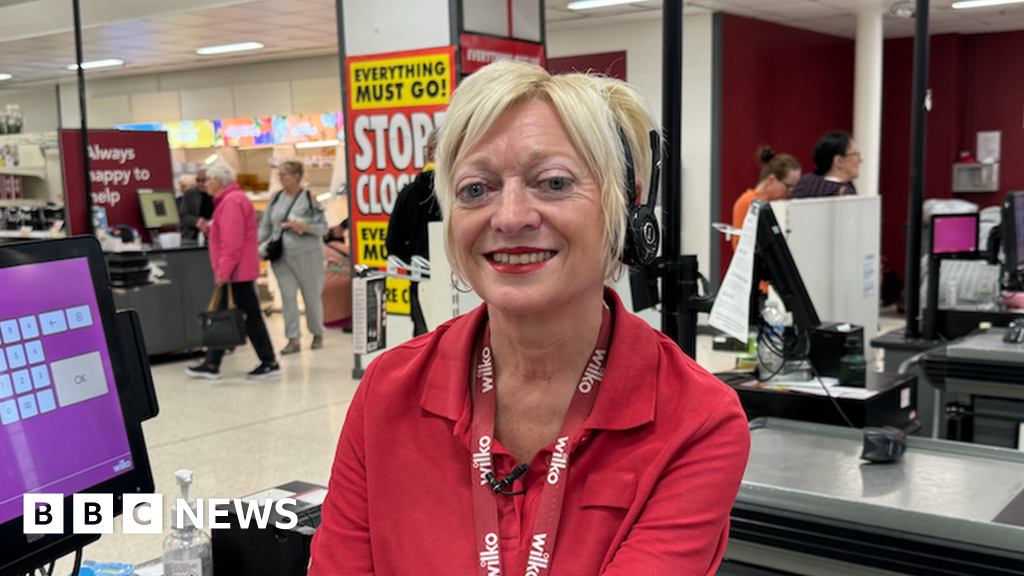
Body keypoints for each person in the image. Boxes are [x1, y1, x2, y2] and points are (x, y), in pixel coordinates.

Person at [309, 61, 750, 576]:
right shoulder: (388, 392)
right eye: (476, 189)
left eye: (554, 182)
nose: (510, 216)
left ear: (623, 210)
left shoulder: (698, 420)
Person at [185, 164, 280, 380]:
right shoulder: (231, 200)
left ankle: (266, 361)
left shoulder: (231, 201)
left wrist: (224, 272)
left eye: (207, 180)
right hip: (239, 271)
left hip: (237, 272)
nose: (204, 184)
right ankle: (214, 362)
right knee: (231, 313)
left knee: (241, 315)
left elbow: (233, 243)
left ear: (218, 181)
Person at [258, 161, 329, 354]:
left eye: (284, 175)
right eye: (279, 174)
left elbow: (323, 228)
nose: (280, 178)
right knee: (287, 297)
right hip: (281, 256)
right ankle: (293, 339)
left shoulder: (309, 199)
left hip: (308, 255)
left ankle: (317, 333)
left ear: (296, 176)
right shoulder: (275, 199)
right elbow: (266, 226)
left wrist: (304, 228)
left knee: (311, 296)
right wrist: (257, 246)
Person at [385, 130, 442, 337]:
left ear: (428, 152)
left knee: (423, 339)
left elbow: (393, 244)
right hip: (461, 284)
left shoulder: (408, 193)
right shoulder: (464, 192)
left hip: (421, 281)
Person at [732, 146, 801, 250]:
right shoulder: (751, 203)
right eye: (788, 187)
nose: (789, 193)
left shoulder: (768, 204)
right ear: (772, 180)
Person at [789, 131, 862, 198]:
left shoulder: (805, 184)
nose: (860, 160)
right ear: (839, 161)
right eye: (855, 154)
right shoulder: (845, 194)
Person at [177, 168, 215, 243]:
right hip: (192, 236)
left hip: (214, 235)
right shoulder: (191, 194)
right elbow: (183, 215)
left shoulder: (217, 194)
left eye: (204, 181)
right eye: (198, 180)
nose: (200, 184)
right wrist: (196, 221)